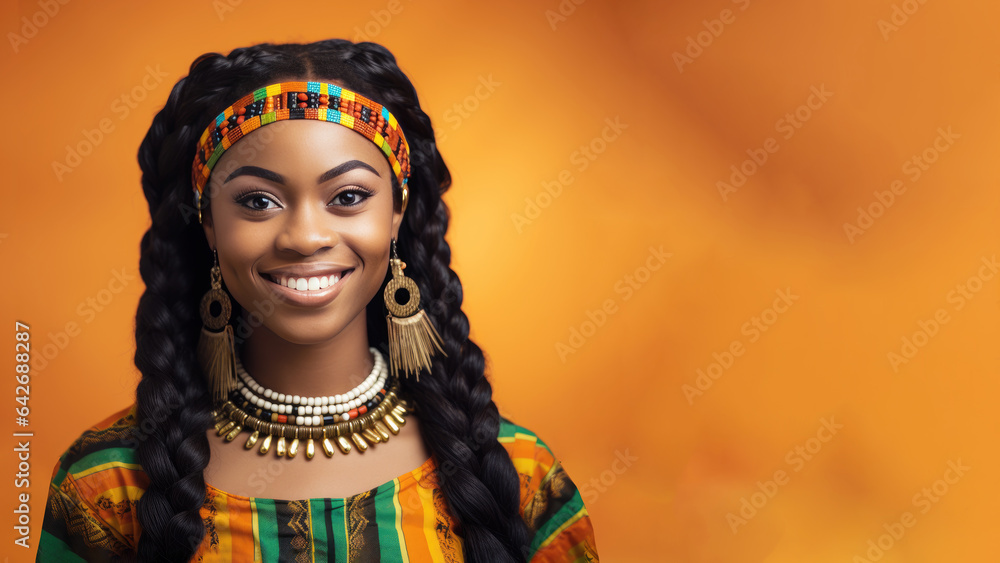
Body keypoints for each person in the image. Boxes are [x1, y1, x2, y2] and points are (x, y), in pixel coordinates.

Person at [35, 39, 599, 562]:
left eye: (348, 197)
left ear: (396, 213)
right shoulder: (107, 487)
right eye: (258, 201)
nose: (305, 237)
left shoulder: (517, 475)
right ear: (208, 223)